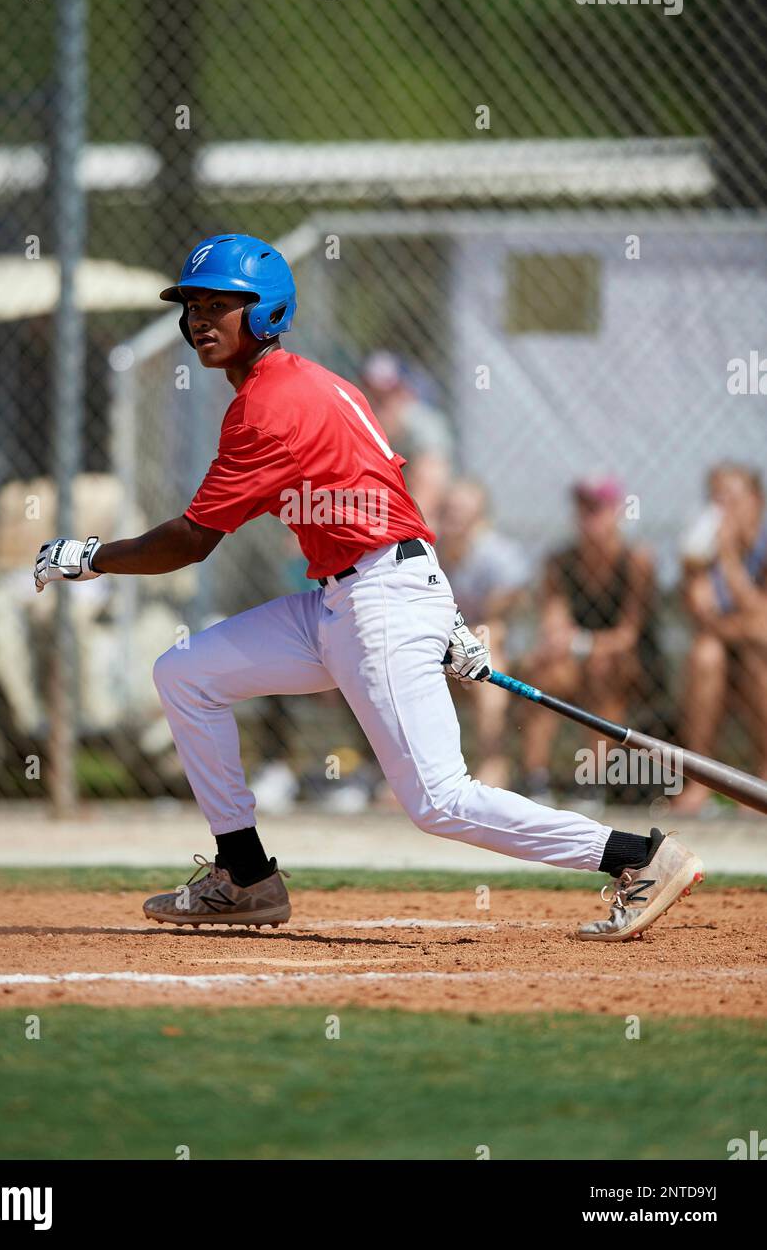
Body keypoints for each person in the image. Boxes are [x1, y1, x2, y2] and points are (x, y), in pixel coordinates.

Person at [34, 235, 701, 942]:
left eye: (221, 304)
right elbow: (385, 496)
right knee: (186, 673)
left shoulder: (268, 407)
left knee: (438, 801)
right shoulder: (315, 383)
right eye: (193, 305)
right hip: (353, 597)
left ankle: (640, 857)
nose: (201, 318)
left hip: (378, 600)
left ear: (265, 313)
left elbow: (191, 542)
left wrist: (91, 557)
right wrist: (440, 609)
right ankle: (246, 876)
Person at [520, 476, 662, 805]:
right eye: (583, 507)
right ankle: (536, 780)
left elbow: (628, 636)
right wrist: (563, 642)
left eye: (597, 508)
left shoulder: (636, 560)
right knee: (545, 673)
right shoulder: (560, 562)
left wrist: (580, 644)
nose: (588, 516)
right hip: (576, 661)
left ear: (617, 512)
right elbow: (554, 625)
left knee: (602, 667)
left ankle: (591, 782)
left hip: (631, 666)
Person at [677, 464, 767, 815]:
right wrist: (739, 628)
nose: (721, 506)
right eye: (715, 497)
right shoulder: (700, 552)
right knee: (706, 654)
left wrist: (729, 558)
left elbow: (762, 628)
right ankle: (700, 780)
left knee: (757, 662)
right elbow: (702, 616)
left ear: (756, 501)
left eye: (731, 497)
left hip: (757, 658)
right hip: (723, 654)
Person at [436, 478, 530, 787]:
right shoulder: (428, 554)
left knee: (489, 658)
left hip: (490, 645)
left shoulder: (498, 557)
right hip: (440, 646)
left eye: (462, 512)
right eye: (448, 510)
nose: (453, 518)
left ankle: (493, 761)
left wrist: (467, 642)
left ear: (481, 518)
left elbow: (497, 622)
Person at [360, 351, 453, 532]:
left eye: (388, 395)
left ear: (405, 394)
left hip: (424, 519)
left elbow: (430, 490)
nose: (380, 403)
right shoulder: (359, 423)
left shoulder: (422, 425)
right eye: (373, 394)